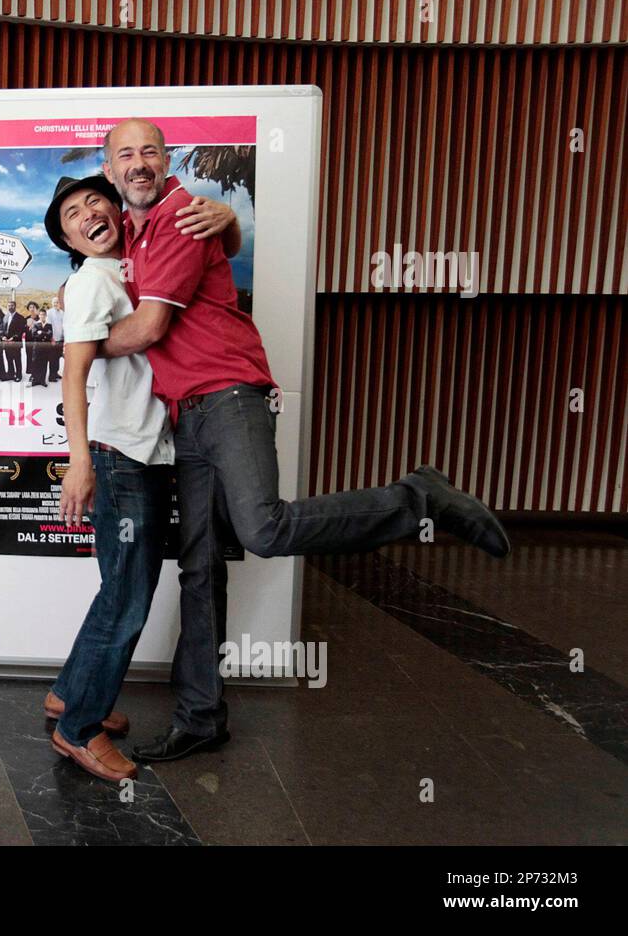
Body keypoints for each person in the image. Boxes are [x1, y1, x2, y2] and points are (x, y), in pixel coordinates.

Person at [94, 118, 511, 765]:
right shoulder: (140, 231)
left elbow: (147, 328)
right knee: (199, 566)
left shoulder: (177, 216)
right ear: (111, 166)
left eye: (149, 150)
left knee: (262, 529)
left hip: (230, 396)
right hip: (188, 413)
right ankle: (201, 716)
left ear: (166, 157)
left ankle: (418, 497)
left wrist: (80, 349)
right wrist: (228, 222)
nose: (139, 162)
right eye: (126, 154)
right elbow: (208, 245)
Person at [41, 173, 242, 783]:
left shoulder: (128, 267)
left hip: (143, 453)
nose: (87, 213)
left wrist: (226, 217)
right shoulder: (93, 281)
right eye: (72, 213)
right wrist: (79, 462)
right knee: (127, 599)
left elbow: (220, 245)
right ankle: (77, 728)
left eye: (93, 200)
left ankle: (69, 693)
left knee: (118, 589)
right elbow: (72, 375)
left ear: (115, 209)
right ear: (70, 238)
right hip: (121, 456)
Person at [1, 300, 27, 381]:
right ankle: (10, 374)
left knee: (17, 359)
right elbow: (2, 328)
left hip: (15, 342)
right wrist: (3, 337)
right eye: (8, 306)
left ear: (15, 306)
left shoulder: (20, 317)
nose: (10, 307)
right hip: (6, 342)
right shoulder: (5, 317)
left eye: (12, 305)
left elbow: (21, 330)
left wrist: (13, 338)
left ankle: (19, 375)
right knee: (9, 359)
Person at [46, 295, 65, 381]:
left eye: (57, 302)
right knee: (52, 359)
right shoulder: (49, 312)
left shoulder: (62, 312)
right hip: (53, 339)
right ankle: (51, 376)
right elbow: (48, 326)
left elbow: (64, 325)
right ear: (52, 303)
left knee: (57, 358)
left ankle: (55, 373)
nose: (55, 304)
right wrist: (51, 338)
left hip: (60, 339)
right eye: (54, 302)